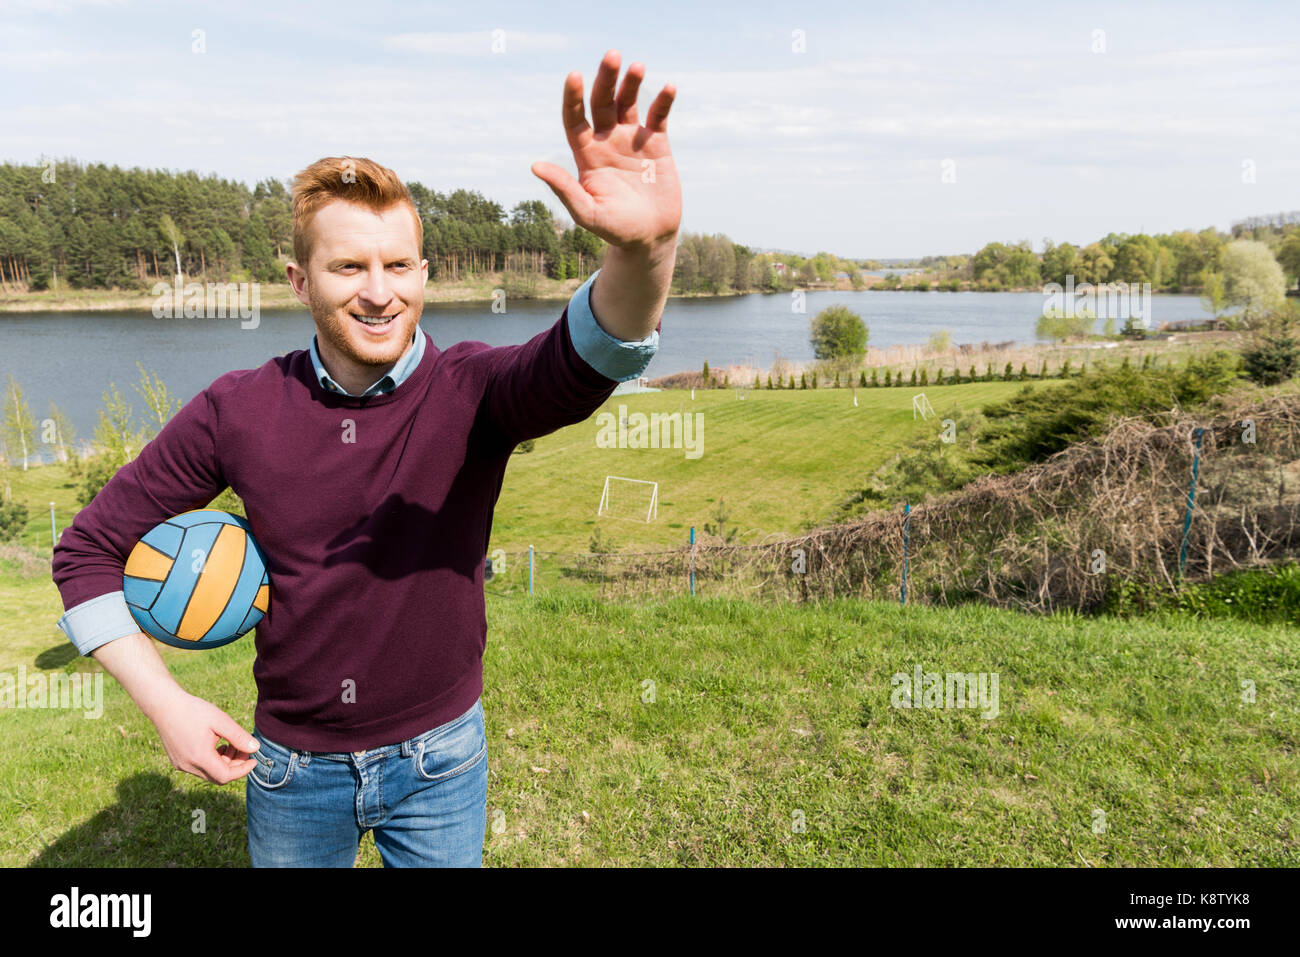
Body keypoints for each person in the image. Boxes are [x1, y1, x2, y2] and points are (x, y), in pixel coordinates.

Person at [50, 49, 681, 867]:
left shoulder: (474, 392)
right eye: (348, 266)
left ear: (424, 273)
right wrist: (166, 704)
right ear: (298, 280)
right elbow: (86, 553)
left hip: (442, 758)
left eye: (396, 266)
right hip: (289, 769)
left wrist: (645, 253)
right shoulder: (235, 409)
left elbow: (589, 357)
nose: (378, 292)